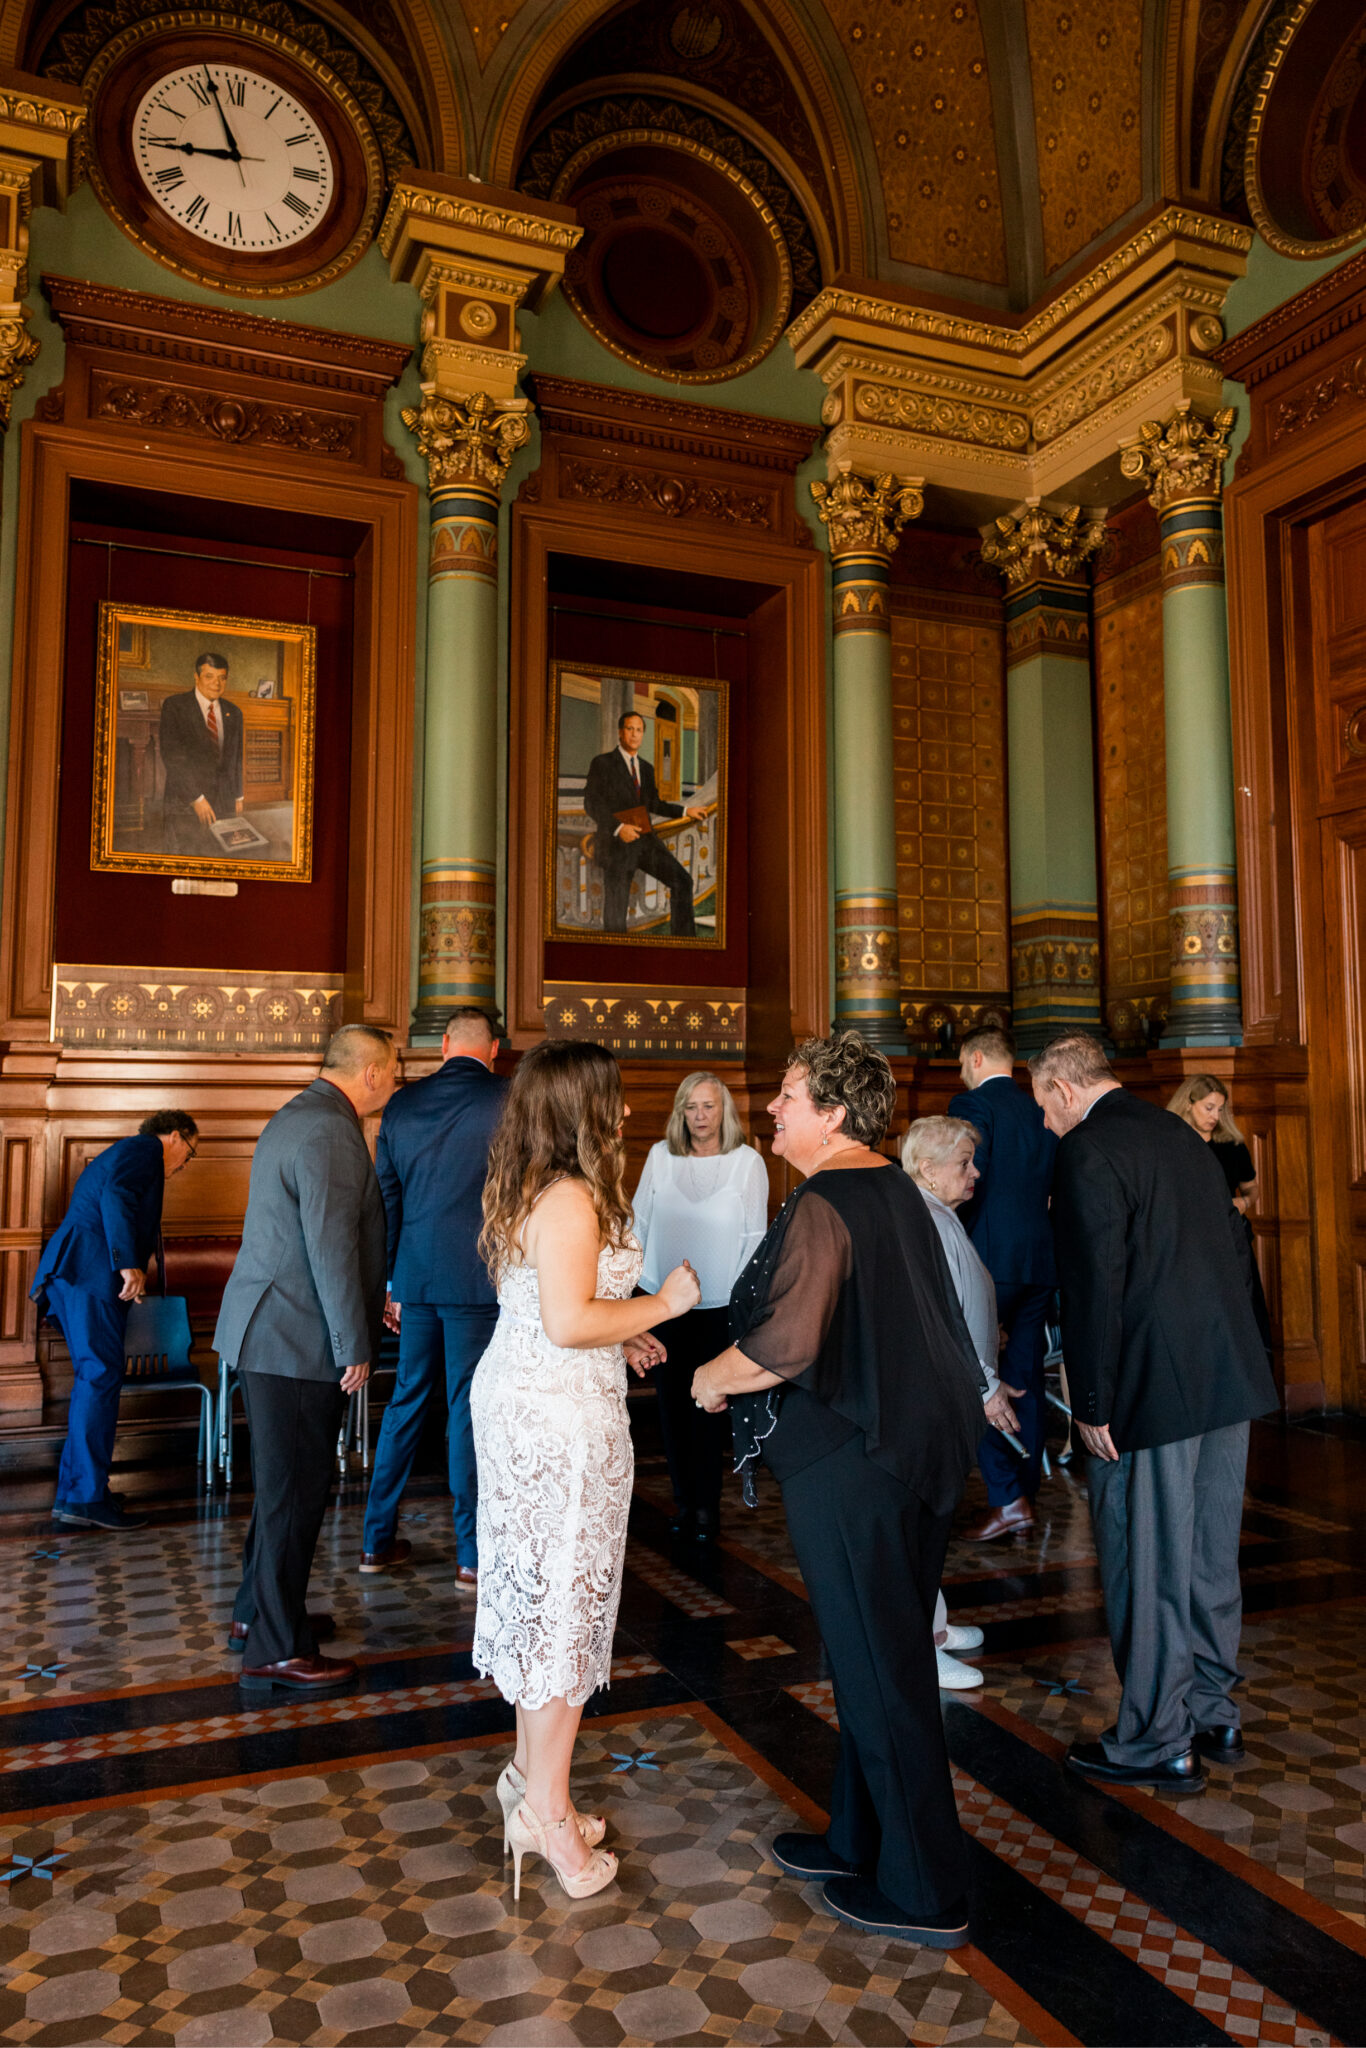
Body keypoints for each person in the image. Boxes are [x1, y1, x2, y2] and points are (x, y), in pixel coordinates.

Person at [692, 1033, 985, 1948]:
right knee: (874, 1658)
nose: (772, 1108)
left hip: (860, 1463)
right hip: (912, 1450)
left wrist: (710, 1377)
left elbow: (786, 1344)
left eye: (788, 1096)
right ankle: (859, 1839)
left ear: (833, 1114)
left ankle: (926, 1890)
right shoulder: (891, 1186)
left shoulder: (828, 1198)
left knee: (880, 1670)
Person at [472, 1039, 700, 1900]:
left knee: (547, 1601)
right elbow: (567, 1321)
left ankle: (530, 1783)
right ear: (580, 1109)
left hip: (536, 1400)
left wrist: (625, 1331)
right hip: (556, 1421)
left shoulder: (536, 1184)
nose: (627, 1112)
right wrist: (664, 1305)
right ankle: (549, 1817)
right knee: (563, 1612)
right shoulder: (570, 1196)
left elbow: (546, 1306)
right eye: (613, 1098)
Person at [1030, 1032, 1278, 1793]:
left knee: (1149, 1560)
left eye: (1043, 1104)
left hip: (1152, 1387)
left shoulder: (1087, 1148)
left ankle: (1155, 1739)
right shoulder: (1177, 1133)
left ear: (1063, 1088)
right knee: (1207, 1557)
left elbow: (1094, 1283)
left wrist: (1091, 1401)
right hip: (1225, 1374)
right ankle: (1213, 1712)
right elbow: (1235, 1248)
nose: (1045, 1121)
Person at [218, 1024, 396, 1693]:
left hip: (274, 1329)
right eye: (395, 1069)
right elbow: (328, 1245)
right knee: (295, 1493)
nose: (396, 1081)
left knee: (281, 1489)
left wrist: (365, 1307)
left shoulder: (301, 1113)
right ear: (372, 1071)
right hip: (295, 1338)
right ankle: (275, 1648)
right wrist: (353, 1342)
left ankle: (257, 1614)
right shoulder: (329, 1130)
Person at [360, 1006, 508, 1585]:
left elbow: (386, 1199)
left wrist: (390, 1283)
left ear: (444, 1044)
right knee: (468, 1408)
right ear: (493, 1049)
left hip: (417, 1279)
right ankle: (470, 1555)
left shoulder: (402, 1104)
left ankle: (376, 1540)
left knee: (406, 1401)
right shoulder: (509, 1099)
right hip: (479, 1279)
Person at [32, 1110, 199, 1532]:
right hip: (89, 1272)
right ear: (175, 1136)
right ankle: (86, 1497)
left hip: (78, 1273)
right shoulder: (144, 1150)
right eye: (190, 1153)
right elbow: (117, 1195)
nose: (185, 1164)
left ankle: (78, 1493)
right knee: (100, 1377)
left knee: (95, 1377)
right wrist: (127, 1263)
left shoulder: (130, 1152)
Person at [902, 1116, 1022, 1689]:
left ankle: (936, 1627)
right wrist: (985, 1386)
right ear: (927, 1169)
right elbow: (941, 1317)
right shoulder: (924, 1218)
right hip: (935, 1394)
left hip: (952, 1389)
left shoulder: (936, 1211)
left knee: (932, 1520)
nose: (975, 1173)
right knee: (920, 1526)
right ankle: (919, 1648)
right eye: (964, 1163)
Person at [632, 1070, 768, 1541]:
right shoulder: (660, 1156)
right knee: (671, 1409)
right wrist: (630, 1295)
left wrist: (743, 1306)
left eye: (708, 1106)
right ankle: (684, 1502)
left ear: (723, 1110)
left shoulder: (747, 1162)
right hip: (664, 1307)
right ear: (680, 1113)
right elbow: (638, 1225)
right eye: (690, 1107)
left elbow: (755, 1240)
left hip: (720, 1307)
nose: (699, 1116)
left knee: (709, 1409)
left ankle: (707, 1507)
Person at [947, 1024, 1057, 1540]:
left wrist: (951, 1240)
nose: (960, 1073)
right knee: (1026, 1377)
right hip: (1040, 1261)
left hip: (988, 1262)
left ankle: (1006, 1496)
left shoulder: (972, 1104)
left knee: (975, 1374)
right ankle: (1025, 1492)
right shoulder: (1039, 1107)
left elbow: (968, 1179)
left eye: (960, 1063)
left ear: (974, 1058)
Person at [583, 711, 706, 935]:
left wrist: (686, 810)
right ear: (620, 733)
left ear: (642, 735)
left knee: (683, 882)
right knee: (616, 912)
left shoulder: (646, 768)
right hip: (616, 846)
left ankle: (684, 943)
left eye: (639, 730)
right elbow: (592, 803)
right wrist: (619, 828)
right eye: (630, 729)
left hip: (646, 842)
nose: (634, 734)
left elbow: (655, 804)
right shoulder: (602, 763)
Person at [159, 651, 245, 857]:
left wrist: (238, 796)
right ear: (196, 677)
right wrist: (196, 799)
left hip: (224, 801)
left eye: (222, 678)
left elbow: (236, 758)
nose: (217, 684)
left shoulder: (234, 712)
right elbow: (173, 758)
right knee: (185, 856)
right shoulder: (175, 706)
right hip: (185, 801)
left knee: (220, 856)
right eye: (209, 676)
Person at [1166, 1074, 1258, 1212]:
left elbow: (1251, 1187)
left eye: (1220, 1109)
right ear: (1188, 1104)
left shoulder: (1233, 1145)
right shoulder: (1169, 1145)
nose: (1215, 1116)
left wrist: (1245, 1202)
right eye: (1209, 1108)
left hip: (1228, 1223)